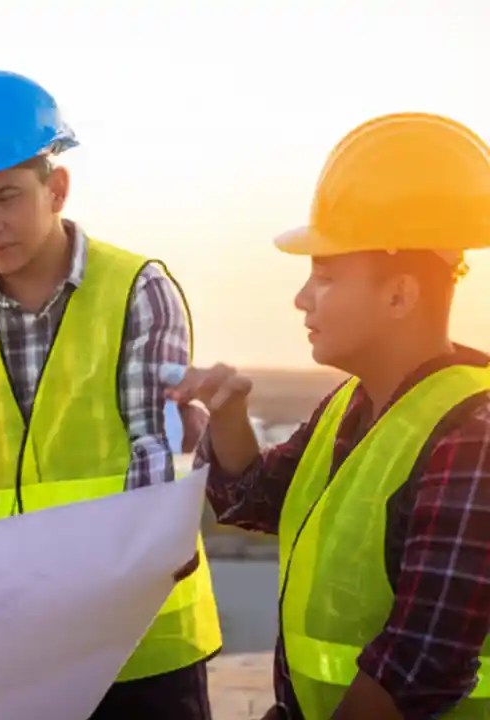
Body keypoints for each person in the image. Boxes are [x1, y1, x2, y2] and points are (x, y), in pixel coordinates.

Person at [0, 69, 222, 720]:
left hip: (142, 650)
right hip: (13, 655)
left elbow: (152, 466)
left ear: (57, 187)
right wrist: (4, 602)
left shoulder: (138, 290)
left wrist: (81, 604)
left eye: (7, 197)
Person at [168, 112, 490, 720]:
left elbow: (420, 665)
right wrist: (230, 412)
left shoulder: (472, 437)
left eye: (325, 275)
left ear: (399, 295)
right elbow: (257, 501)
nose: (300, 299)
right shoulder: (353, 403)